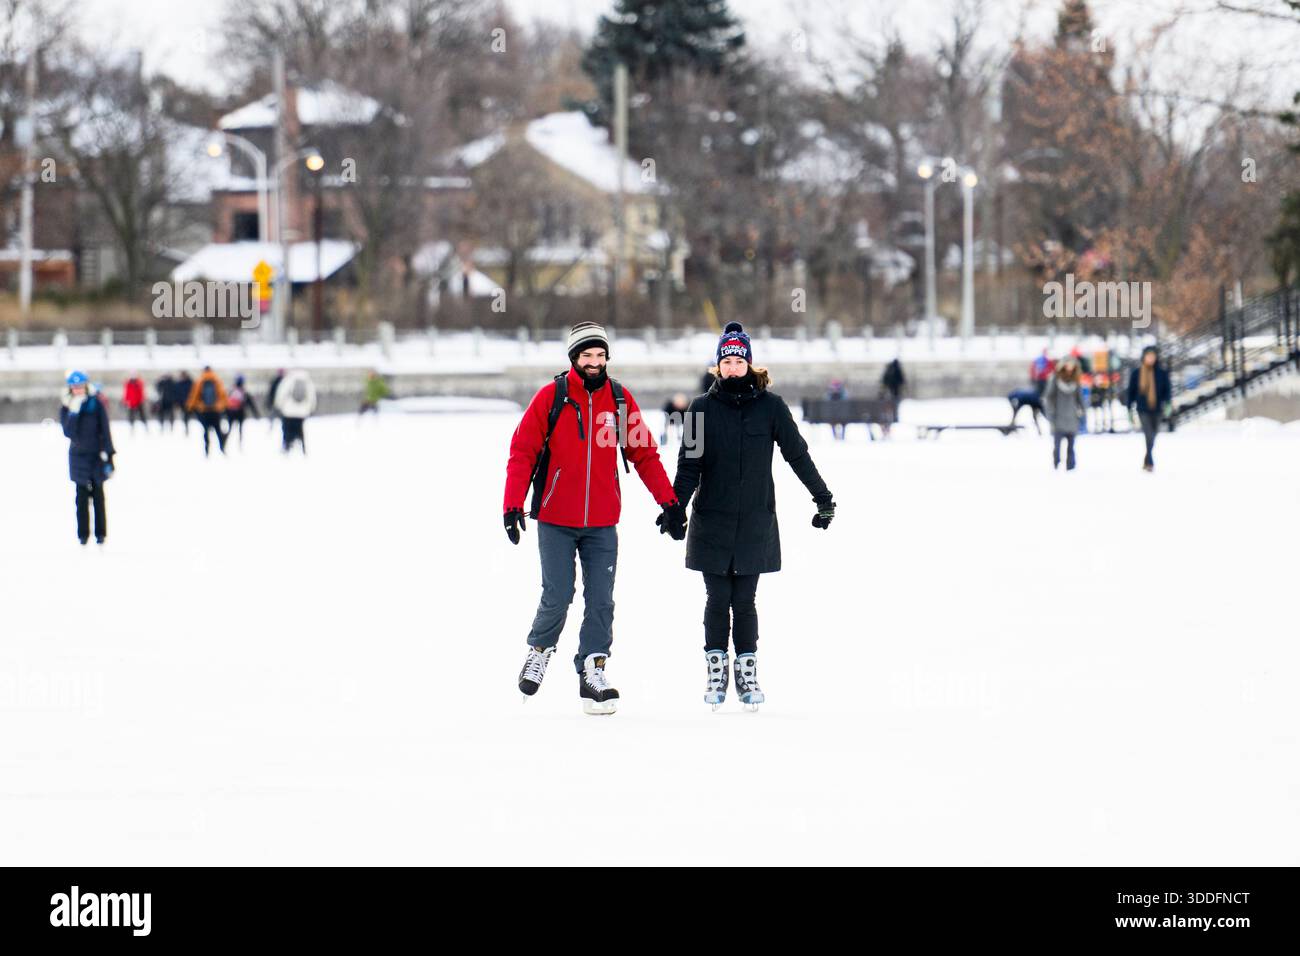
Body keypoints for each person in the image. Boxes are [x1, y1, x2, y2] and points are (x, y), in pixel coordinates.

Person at [503, 321, 681, 715]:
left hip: (602, 521)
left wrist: (668, 503)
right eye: (587, 356)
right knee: (558, 594)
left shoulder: (618, 400)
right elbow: (523, 452)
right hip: (555, 518)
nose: (595, 363)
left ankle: (593, 669)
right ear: (573, 358)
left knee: (601, 600)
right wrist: (512, 504)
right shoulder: (551, 398)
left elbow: (644, 454)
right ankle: (540, 651)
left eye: (601, 356)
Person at [667, 321, 835, 711]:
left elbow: (797, 455)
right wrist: (674, 507)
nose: (732, 366)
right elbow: (688, 465)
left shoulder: (771, 407)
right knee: (716, 598)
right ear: (718, 365)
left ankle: (746, 672)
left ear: (749, 363)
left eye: (738, 359)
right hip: (712, 519)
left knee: (744, 600)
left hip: (755, 520)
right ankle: (716, 668)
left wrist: (822, 497)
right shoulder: (699, 409)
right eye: (726, 360)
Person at [60, 370, 115, 546]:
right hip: (77, 457)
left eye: (80, 386)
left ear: (86, 385)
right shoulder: (67, 406)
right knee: (81, 497)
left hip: (97, 455)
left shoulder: (95, 403)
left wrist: (109, 455)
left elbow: (105, 430)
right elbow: (68, 432)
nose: (78, 390)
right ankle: (83, 535)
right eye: (74, 387)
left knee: (98, 496)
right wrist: (74, 413)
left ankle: (101, 534)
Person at [1126, 345, 1172, 472]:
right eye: (1148, 356)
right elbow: (1131, 392)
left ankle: (1146, 459)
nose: (1150, 358)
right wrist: (1129, 408)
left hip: (1157, 408)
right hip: (1142, 409)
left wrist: (1168, 403)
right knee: (1149, 434)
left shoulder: (1162, 373)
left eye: (1153, 356)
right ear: (1144, 357)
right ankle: (1150, 462)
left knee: (1154, 434)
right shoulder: (1136, 373)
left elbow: (1167, 390)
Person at [1043, 356, 1085, 471]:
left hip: (1071, 417)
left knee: (1071, 447)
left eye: (1072, 365)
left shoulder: (1076, 380)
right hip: (1058, 417)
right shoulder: (1055, 379)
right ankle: (1056, 465)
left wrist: (1083, 412)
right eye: (1068, 364)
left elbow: (1080, 398)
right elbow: (1048, 398)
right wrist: (1050, 414)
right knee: (1057, 446)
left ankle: (1070, 467)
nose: (1070, 367)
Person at [187, 366, 228, 456]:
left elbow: (194, 395)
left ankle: (207, 449)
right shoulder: (217, 380)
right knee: (218, 430)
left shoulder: (200, 381)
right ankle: (222, 447)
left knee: (206, 430)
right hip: (215, 410)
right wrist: (222, 406)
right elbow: (223, 395)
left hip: (204, 410)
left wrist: (190, 407)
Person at [274, 368, 317, 454]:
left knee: (287, 429)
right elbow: (312, 396)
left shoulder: (288, 380)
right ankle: (303, 448)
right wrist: (311, 408)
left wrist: (278, 405)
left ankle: (286, 446)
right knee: (300, 429)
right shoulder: (307, 381)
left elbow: (281, 393)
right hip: (302, 411)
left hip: (288, 411)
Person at [224, 374, 261, 447]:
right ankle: (240, 444)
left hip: (231, 413)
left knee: (230, 429)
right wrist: (256, 414)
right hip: (240, 413)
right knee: (240, 429)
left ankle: (224, 443)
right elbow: (250, 403)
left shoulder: (231, 391)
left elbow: (225, 403)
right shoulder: (244, 392)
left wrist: (224, 413)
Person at [880, 357, 905, 438]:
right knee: (892, 410)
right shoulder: (897, 370)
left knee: (886, 411)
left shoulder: (888, 370)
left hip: (887, 395)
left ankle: (886, 429)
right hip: (895, 394)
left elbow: (883, 381)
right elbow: (902, 381)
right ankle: (893, 419)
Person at [173, 370, 194, 435]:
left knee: (187, 416)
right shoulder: (181, 383)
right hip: (183, 402)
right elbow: (176, 393)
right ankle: (186, 428)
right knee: (185, 416)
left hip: (189, 402)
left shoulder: (189, 383)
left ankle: (187, 427)